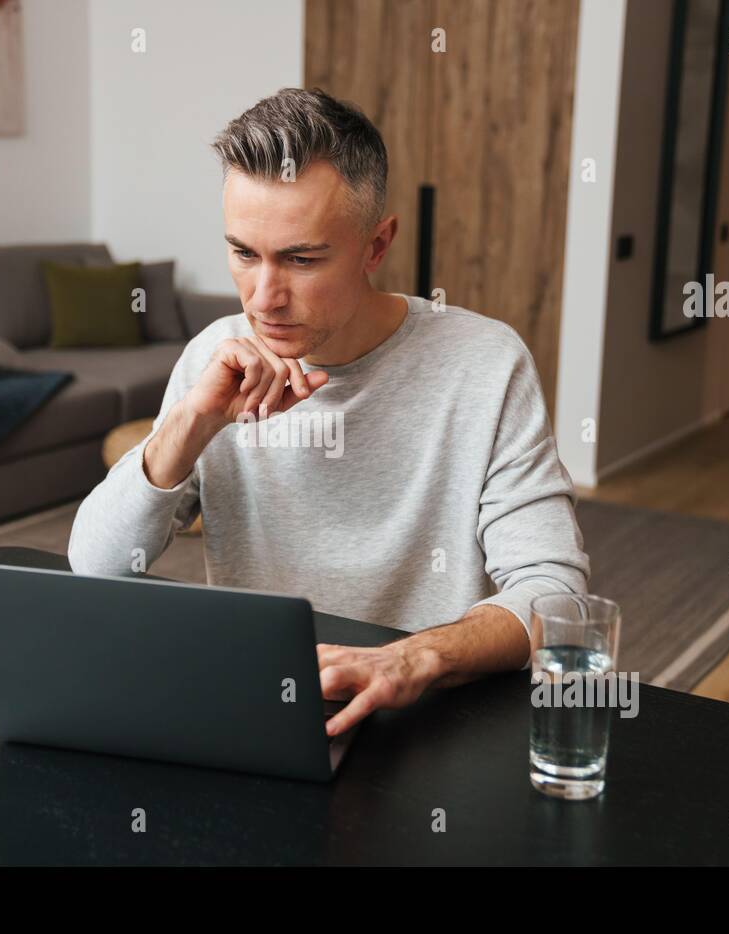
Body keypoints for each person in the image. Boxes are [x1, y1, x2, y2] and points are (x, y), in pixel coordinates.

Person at [69, 87, 589, 737]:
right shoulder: (215, 357)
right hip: (260, 712)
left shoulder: (485, 364)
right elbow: (93, 567)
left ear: (377, 246)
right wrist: (192, 423)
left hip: (426, 718)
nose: (263, 297)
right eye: (243, 253)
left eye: (301, 259)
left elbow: (557, 592)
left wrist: (415, 656)